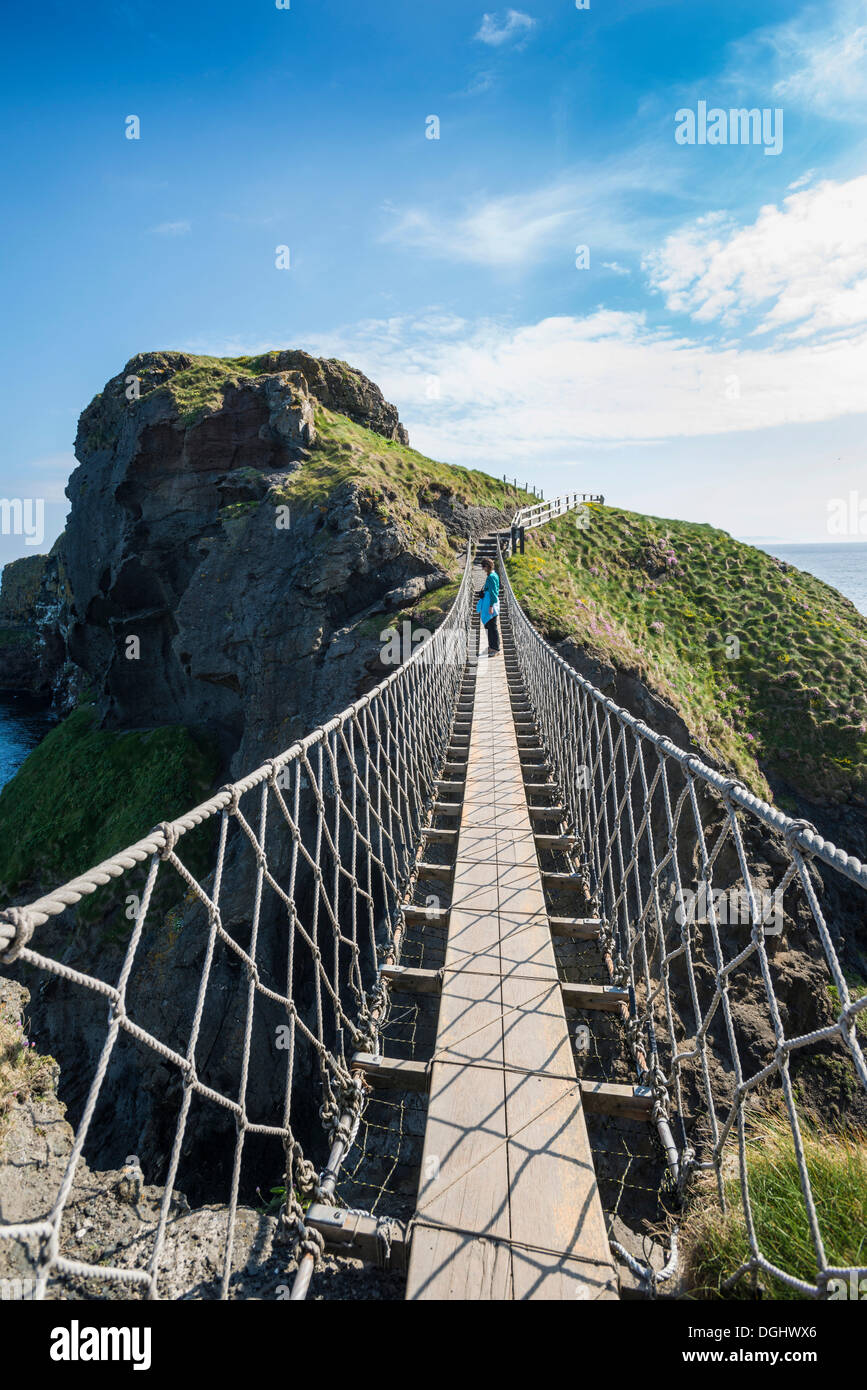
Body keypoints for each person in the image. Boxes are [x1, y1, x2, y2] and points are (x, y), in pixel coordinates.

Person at [477, 557, 501, 656]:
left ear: (487, 566)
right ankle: (492, 646)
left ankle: (495, 649)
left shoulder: (491, 577)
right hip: (490, 602)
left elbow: (493, 592)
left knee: (491, 627)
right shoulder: (494, 574)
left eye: (483, 567)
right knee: (490, 626)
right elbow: (492, 589)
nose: (483, 569)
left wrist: (491, 606)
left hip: (490, 604)